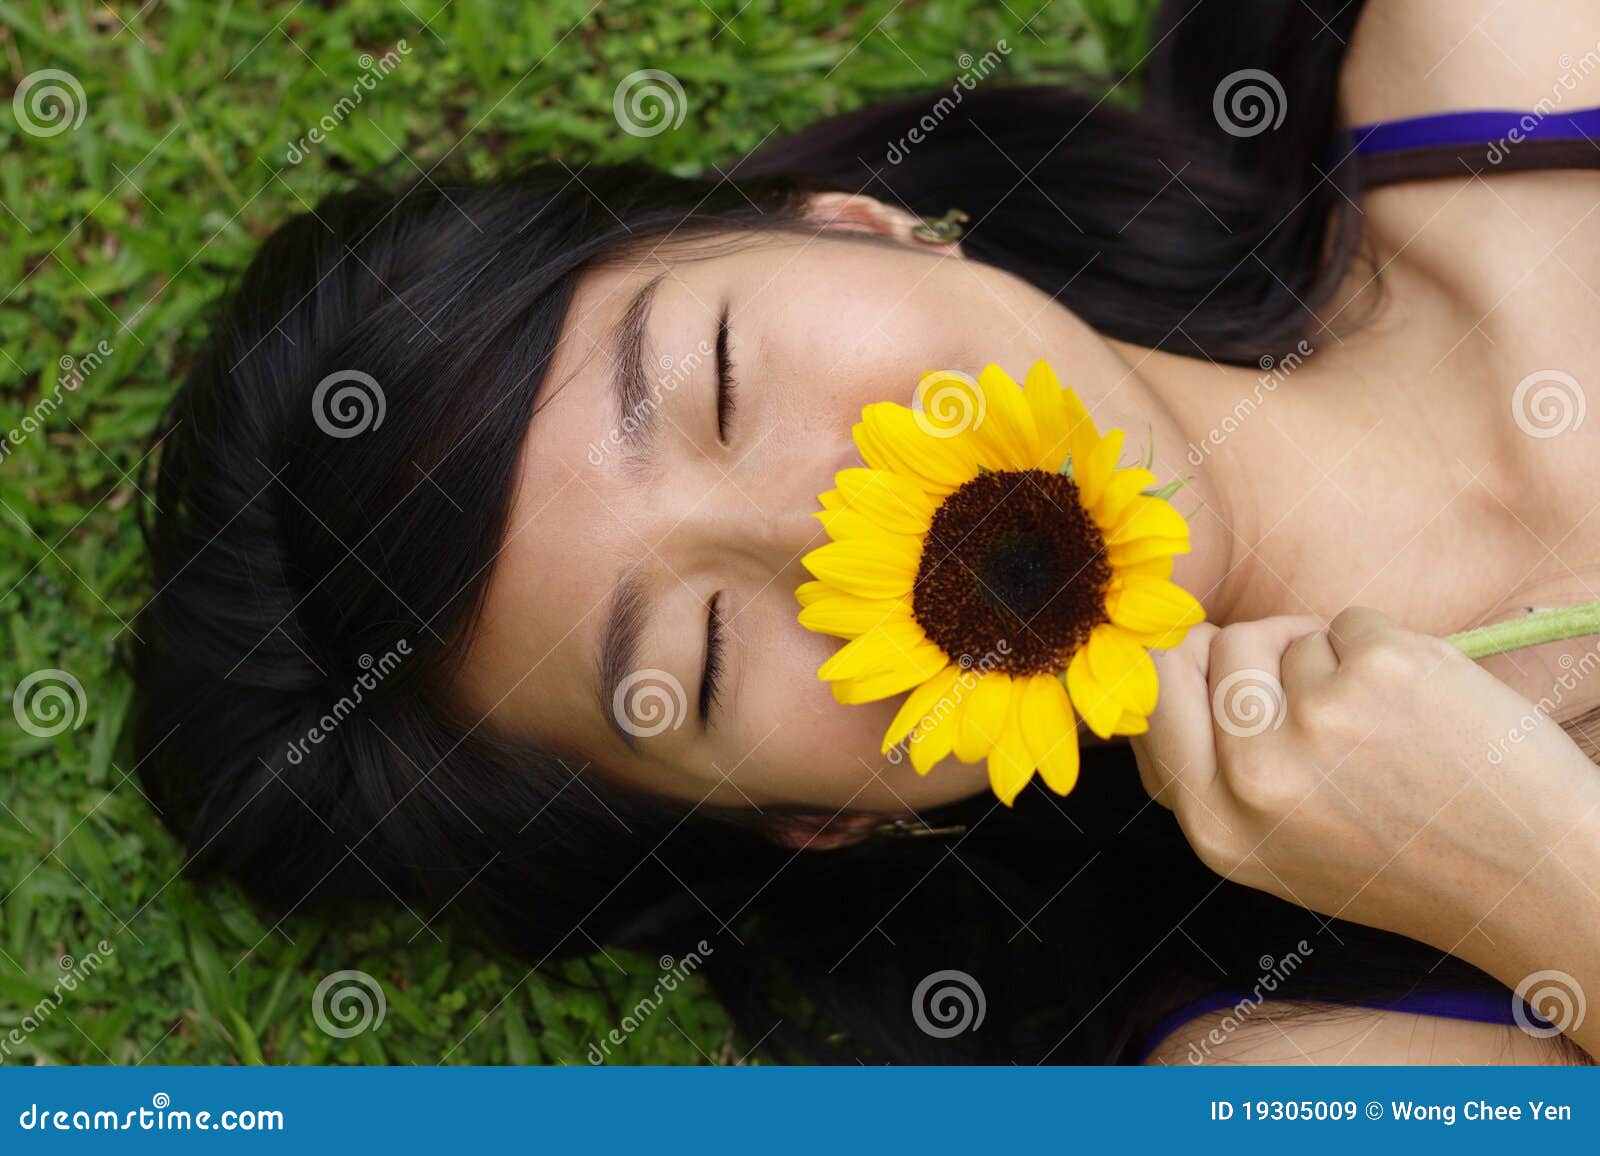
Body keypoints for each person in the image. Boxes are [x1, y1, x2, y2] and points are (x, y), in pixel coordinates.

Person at [133, 0, 1600, 1063]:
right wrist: (1533, 882)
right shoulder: (1320, 1068)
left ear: (858, 221)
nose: (833, 525)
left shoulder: (1514, 51)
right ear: (827, 821)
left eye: (716, 382)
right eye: (701, 659)